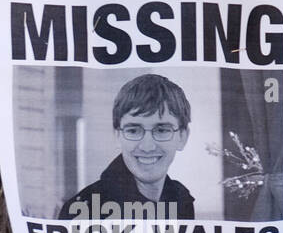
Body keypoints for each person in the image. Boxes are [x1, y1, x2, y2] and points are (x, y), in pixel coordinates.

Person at [58, 73, 195, 220]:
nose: (147, 147)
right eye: (133, 130)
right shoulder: (83, 210)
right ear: (117, 135)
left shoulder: (182, 201)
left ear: (182, 137)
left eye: (162, 130)